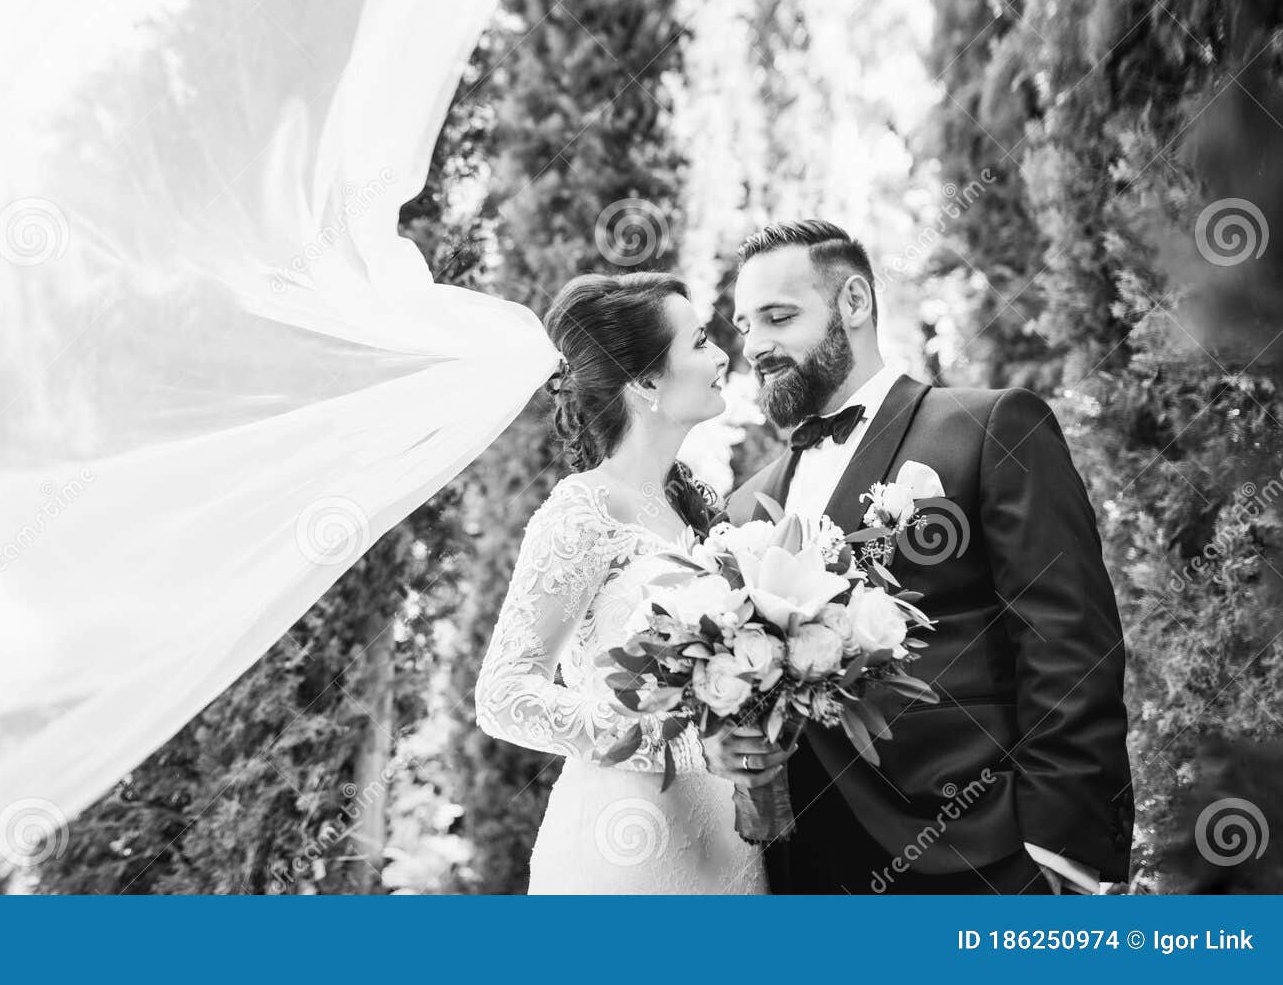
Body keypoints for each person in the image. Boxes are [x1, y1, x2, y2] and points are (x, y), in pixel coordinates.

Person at [706, 219, 1134, 894]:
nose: (755, 344)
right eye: (743, 324)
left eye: (779, 317)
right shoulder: (744, 509)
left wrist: (1062, 853)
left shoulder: (990, 427)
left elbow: (1071, 645)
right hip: (806, 873)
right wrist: (730, 745)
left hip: (979, 854)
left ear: (853, 302)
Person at [473, 271, 764, 893]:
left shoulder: (694, 507)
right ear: (646, 381)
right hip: (627, 845)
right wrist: (676, 745)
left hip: (725, 840)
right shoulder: (583, 511)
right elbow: (503, 696)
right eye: (700, 342)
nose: (721, 357)